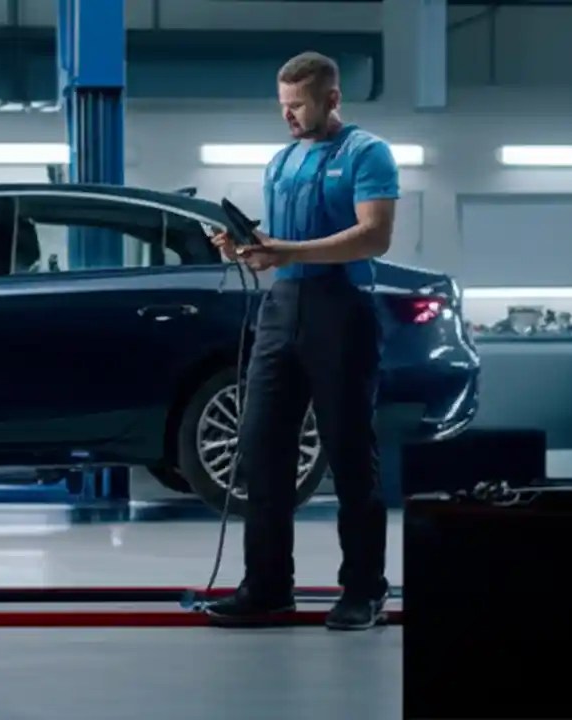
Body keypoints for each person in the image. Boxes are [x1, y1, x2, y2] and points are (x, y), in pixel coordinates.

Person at [205, 51, 398, 631]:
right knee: (262, 448)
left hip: (342, 308)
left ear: (332, 99)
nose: (288, 116)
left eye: (300, 105)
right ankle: (267, 586)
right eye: (282, 106)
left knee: (346, 454)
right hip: (281, 307)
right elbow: (279, 245)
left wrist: (287, 250)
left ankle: (365, 590)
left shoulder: (367, 153)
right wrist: (248, 245)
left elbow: (374, 237)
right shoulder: (282, 160)